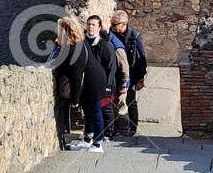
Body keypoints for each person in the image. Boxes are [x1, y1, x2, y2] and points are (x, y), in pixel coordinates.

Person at [81, 14, 120, 152]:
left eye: (93, 25)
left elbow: (111, 67)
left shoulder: (105, 45)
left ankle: (101, 139)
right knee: (88, 110)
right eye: (89, 24)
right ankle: (89, 137)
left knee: (99, 111)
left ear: (99, 27)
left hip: (102, 84)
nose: (90, 27)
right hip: (86, 84)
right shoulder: (83, 43)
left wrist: (108, 87)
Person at [51, 15, 89, 150]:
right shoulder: (80, 45)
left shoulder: (70, 50)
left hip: (69, 90)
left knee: (65, 114)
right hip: (74, 88)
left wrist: (75, 100)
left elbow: (75, 77)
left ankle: (66, 141)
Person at [110, 10, 147, 137]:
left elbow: (141, 58)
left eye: (116, 25)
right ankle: (116, 127)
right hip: (116, 73)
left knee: (130, 100)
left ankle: (132, 127)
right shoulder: (111, 35)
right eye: (112, 24)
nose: (113, 27)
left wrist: (140, 78)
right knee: (114, 99)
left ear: (123, 24)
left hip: (132, 73)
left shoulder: (135, 36)